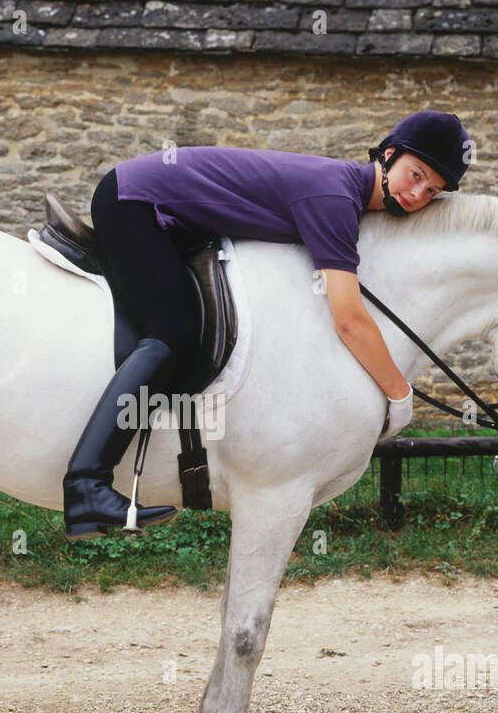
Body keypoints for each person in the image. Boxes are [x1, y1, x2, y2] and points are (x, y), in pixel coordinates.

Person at [63, 109, 473, 541]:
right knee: (174, 333)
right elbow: (349, 319)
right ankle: (85, 484)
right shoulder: (335, 200)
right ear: (389, 155)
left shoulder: (342, 193)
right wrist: (399, 392)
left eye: (433, 190)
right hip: (134, 203)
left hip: (163, 210)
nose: (419, 193)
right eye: (416, 174)